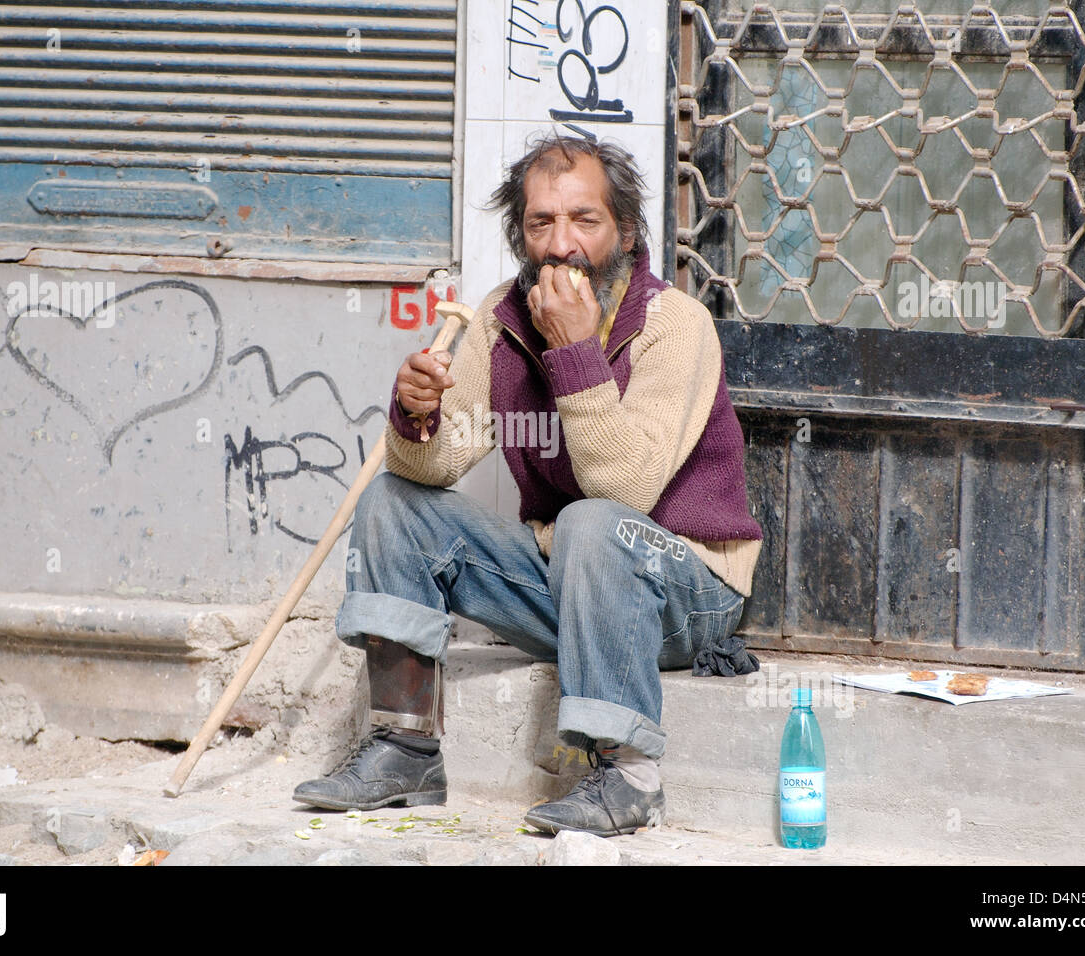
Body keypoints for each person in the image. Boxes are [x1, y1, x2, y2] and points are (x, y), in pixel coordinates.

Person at [292, 133, 763, 837]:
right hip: (567, 577)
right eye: (541, 223)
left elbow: (625, 488)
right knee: (392, 501)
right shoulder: (502, 320)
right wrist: (417, 416)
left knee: (593, 521)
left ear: (626, 231)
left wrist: (575, 352)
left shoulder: (675, 327)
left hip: (687, 589)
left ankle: (630, 776)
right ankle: (404, 748)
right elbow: (437, 467)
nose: (560, 244)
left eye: (584, 220)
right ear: (522, 234)